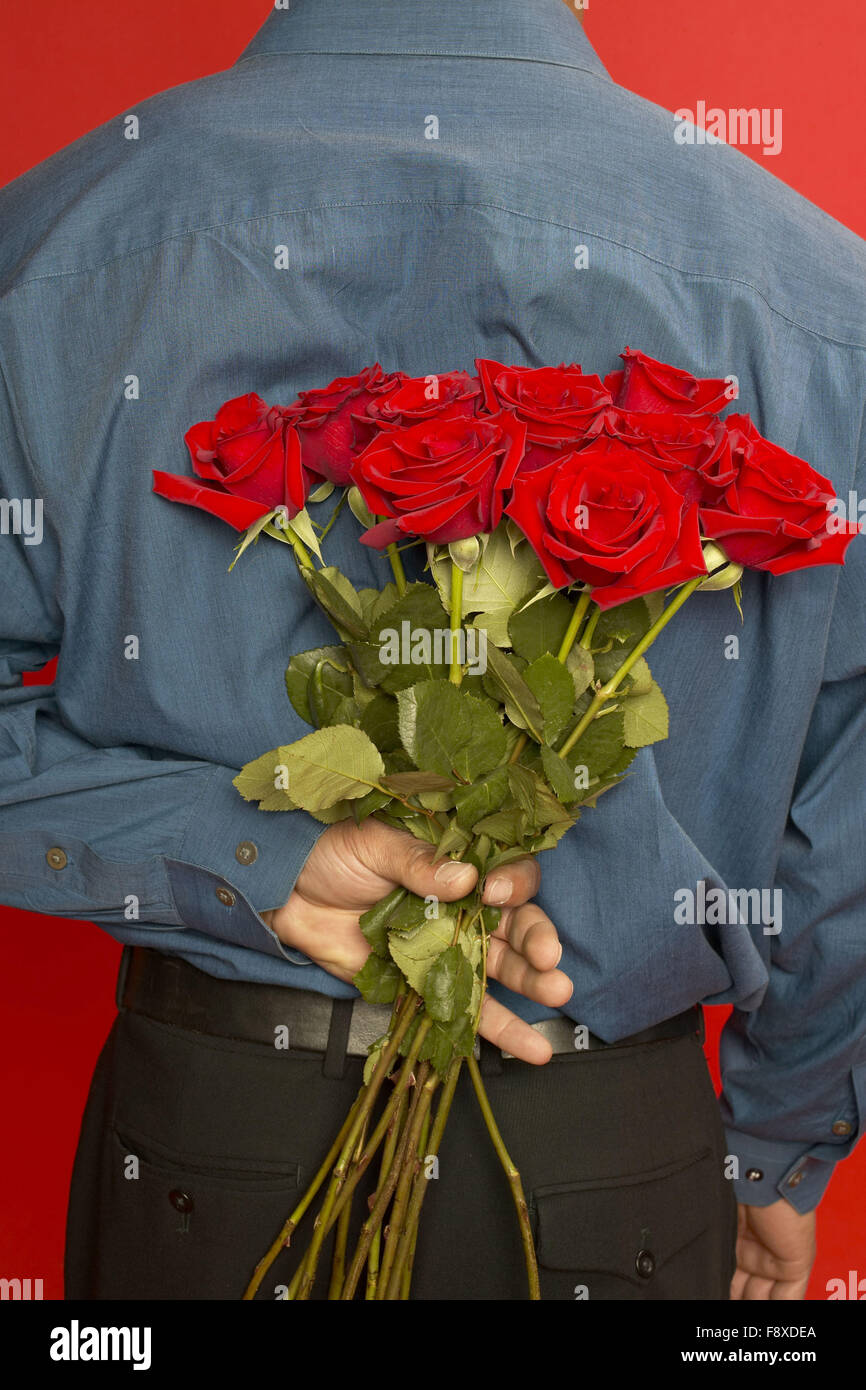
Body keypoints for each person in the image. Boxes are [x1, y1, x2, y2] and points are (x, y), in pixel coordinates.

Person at [1, 0, 864, 1301]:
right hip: (613, 1158)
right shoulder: (822, 296)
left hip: (207, 1148)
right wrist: (778, 1147)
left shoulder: (57, 245)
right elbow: (849, 832)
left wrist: (237, 856)